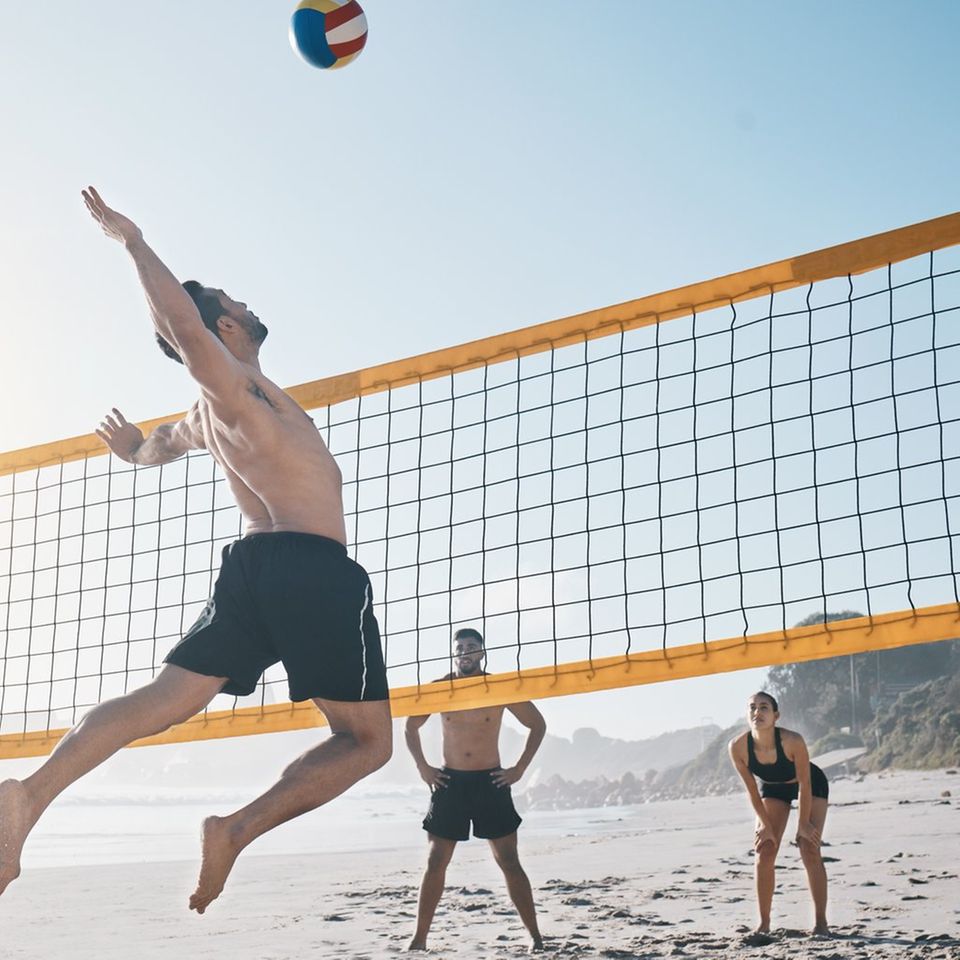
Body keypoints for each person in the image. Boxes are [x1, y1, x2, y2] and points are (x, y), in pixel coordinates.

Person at [0, 187, 392, 913]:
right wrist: (135, 243)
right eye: (230, 300)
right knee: (367, 743)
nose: (244, 303)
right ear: (225, 328)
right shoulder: (232, 386)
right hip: (311, 569)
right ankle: (235, 829)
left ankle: (28, 795)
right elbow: (184, 330)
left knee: (163, 700)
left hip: (250, 573)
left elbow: (159, 447)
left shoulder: (209, 413)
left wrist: (131, 451)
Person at [404, 627, 546, 952]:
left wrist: (520, 769)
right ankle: (419, 939)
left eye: (471, 647)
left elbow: (537, 725)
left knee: (509, 860)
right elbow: (410, 725)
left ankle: (536, 937)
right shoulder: (440, 688)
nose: (465, 653)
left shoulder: (497, 687)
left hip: (491, 782)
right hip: (450, 782)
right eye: (460, 648)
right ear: (454, 654)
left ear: (481, 653)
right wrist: (422, 766)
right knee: (435, 860)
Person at [728, 692, 829, 936]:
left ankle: (821, 923)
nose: (757, 712)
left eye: (764, 708)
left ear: (776, 715)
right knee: (765, 848)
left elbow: (805, 784)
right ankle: (764, 924)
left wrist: (803, 824)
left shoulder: (792, 741)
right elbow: (752, 790)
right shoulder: (738, 747)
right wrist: (765, 824)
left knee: (809, 846)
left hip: (810, 784)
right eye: (752, 707)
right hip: (773, 788)